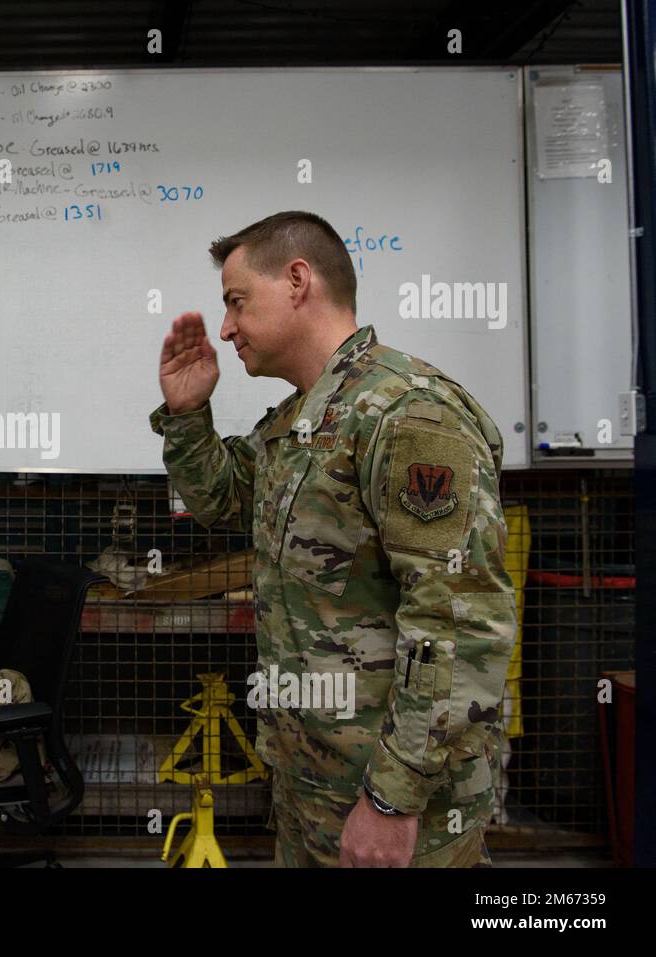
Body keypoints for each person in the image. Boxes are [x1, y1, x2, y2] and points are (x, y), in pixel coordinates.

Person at [150, 211, 516, 866]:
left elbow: (460, 624)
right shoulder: (301, 421)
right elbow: (221, 498)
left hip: (395, 803)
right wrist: (186, 414)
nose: (227, 327)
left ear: (297, 280)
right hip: (315, 787)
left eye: (236, 302)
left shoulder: (408, 413)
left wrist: (393, 801)